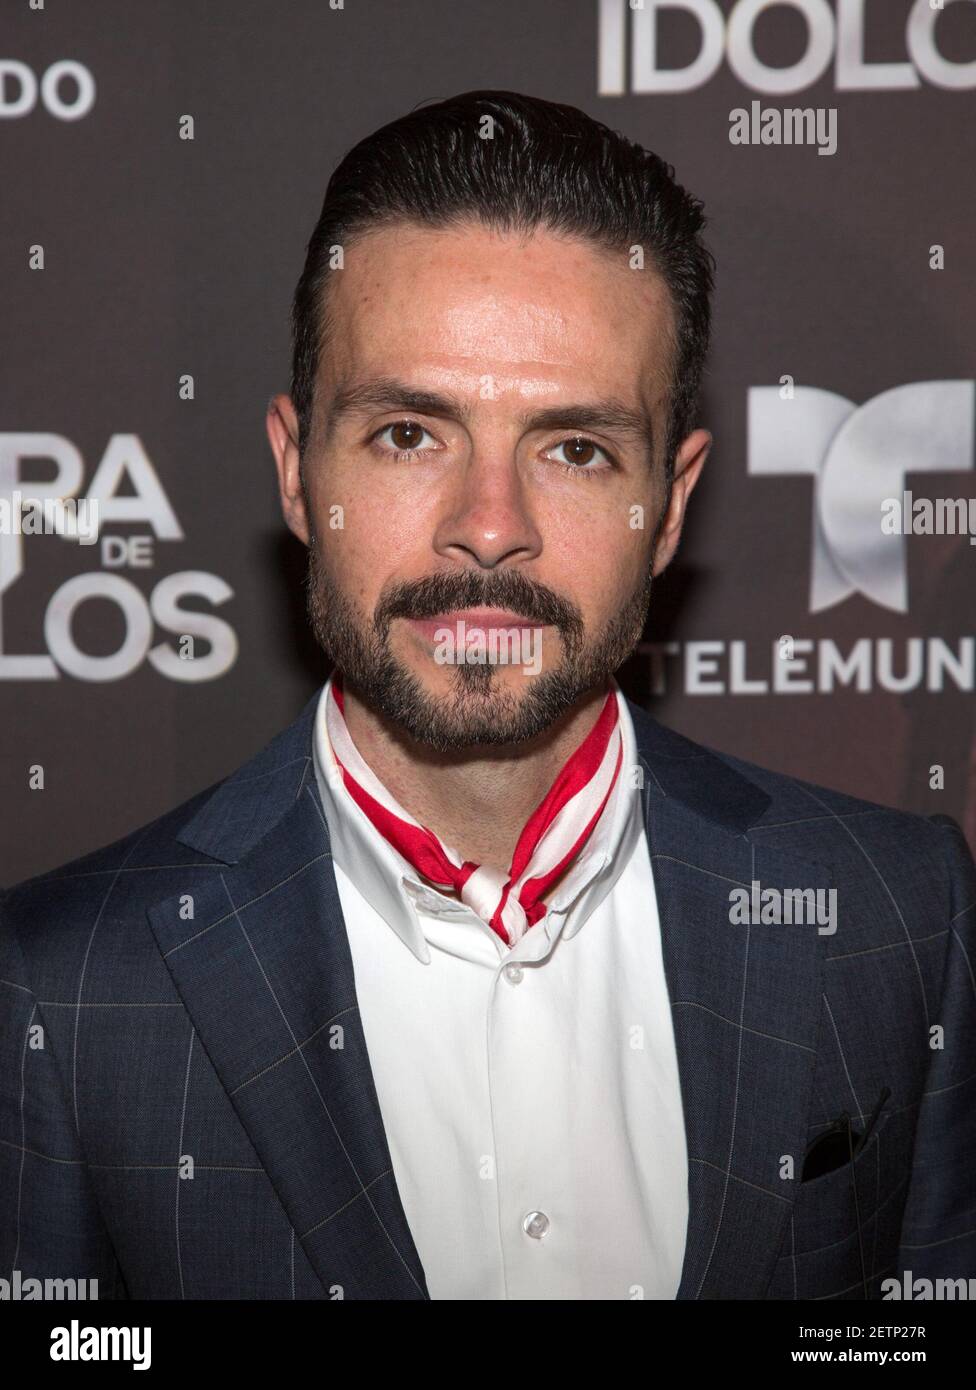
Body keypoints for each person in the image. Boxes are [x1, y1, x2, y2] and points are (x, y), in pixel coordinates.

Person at [2, 90, 973, 1302]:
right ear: (297, 477)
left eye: (574, 448)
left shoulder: (897, 913)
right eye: (410, 433)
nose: (488, 530)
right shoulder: (63, 985)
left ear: (668, 506)